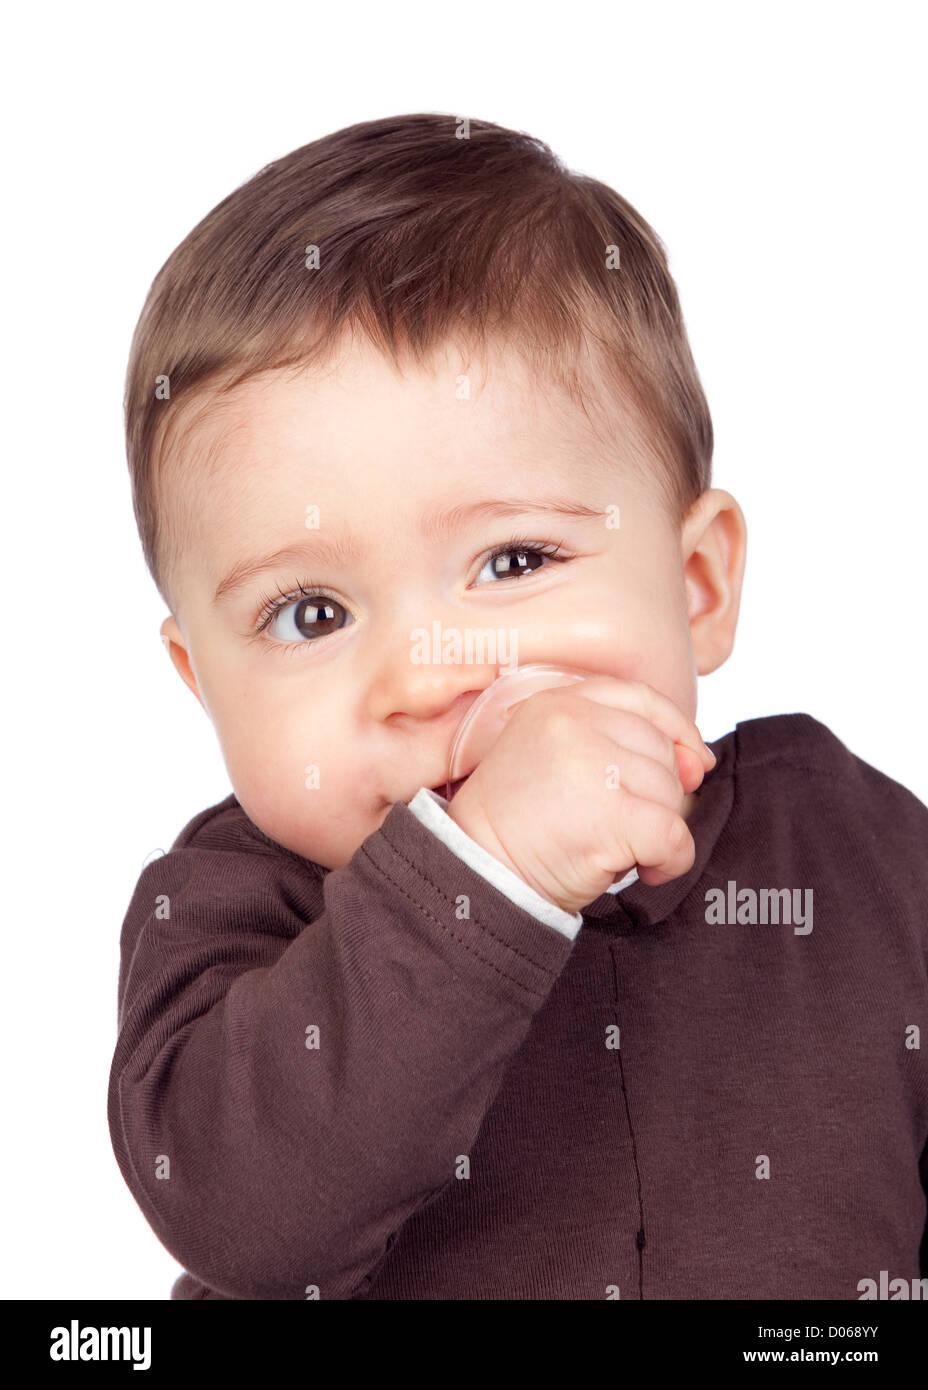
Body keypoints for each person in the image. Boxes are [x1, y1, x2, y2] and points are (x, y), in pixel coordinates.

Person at [108, 113, 928, 1300]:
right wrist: (486, 867)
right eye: (312, 614)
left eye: (513, 561)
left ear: (696, 586)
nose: (426, 676)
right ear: (203, 686)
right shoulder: (232, 918)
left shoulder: (855, 849)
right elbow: (247, 1224)